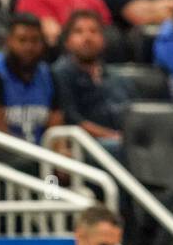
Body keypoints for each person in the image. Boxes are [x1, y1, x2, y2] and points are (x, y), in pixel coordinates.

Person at [0, 14, 62, 143]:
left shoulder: (49, 76)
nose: (29, 47)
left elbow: (55, 132)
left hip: (41, 154)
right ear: (8, 41)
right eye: (22, 40)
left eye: (35, 40)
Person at [52, 10, 130, 151]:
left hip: (122, 141)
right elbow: (72, 120)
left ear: (103, 40)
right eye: (78, 31)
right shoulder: (61, 73)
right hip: (85, 145)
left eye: (94, 31)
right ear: (67, 41)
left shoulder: (116, 77)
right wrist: (113, 136)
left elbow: (134, 112)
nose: (87, 37)